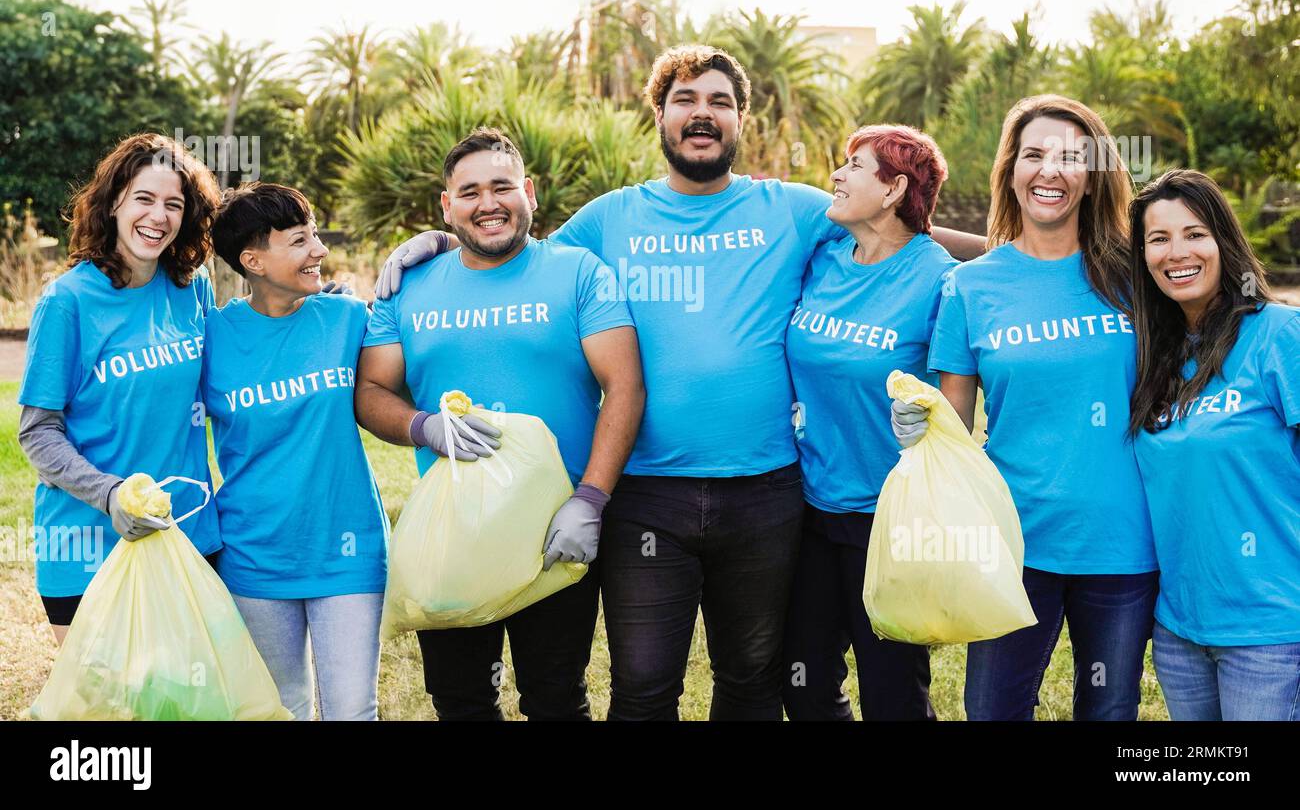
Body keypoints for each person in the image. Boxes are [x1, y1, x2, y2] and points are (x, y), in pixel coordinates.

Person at [375, 45, 984, 720]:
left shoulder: (792, 209)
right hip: (646, 494)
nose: (702, 115)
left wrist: (1008, 254)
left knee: (752, 678)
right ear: (660, 117)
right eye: (685, 101)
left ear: (740, 120)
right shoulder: (611, 218)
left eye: (719, 102)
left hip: (768, 491)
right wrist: (431, 243)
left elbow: (897, 228)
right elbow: (516, 248)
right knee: (641, 685)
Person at [355, 127, 644, 720]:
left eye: (501, 187)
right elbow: (372, 390)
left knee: (556, 696)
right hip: (453, 525)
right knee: (460, 700)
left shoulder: (578, 271)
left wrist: (589, 500)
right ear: (446, 206)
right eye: (469, 192)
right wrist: (422, 427)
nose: (488, 204)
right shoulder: (409, 286)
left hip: (553, 525)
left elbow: (625, 386)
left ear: (529, 192)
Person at [904, 94, 1158, 720]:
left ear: (1094, 176)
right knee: (992, 711)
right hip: (1011, 541)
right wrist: (919, 430)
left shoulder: (1138, 276)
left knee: (1109, 714)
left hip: (1122, 540)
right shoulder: (970, 286)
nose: (1050, 171)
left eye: (1071, 157)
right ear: (1010, 170)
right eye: (1034, 154)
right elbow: (954, 427)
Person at [17, 133, 223, 645]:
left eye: (173, 204)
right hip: (89, 545)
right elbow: (38, 433)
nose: (158, 216)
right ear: (113, 203)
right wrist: (110, 496)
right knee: (108, 710)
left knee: (189, 700)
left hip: (186, 532)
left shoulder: (192, 287)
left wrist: (305, 305)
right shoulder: (67, 302)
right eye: (144, 199)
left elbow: (230, 378)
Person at [782, 124, 955, 721]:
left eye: (855, 165)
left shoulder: (938, 277)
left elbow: (958, 394)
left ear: (893, 189)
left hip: (888, 515)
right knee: (803, 683)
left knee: (893, 694)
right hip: (805, 505)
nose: (836, 174)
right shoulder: (823, 259)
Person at [204, 182, 389, 720]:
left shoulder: (348, 318)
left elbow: (423, 312)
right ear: (253, 260)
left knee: (353, 710)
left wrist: (430, 246)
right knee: (278, 709)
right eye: (300, 240)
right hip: (254, 555)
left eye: (315, 236)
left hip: (347, 550)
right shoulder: (211, 336)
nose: (320, 251)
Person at [1127, 169, 1300, 721]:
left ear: (1223, 241)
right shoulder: (1158, 356)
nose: (1176, 252)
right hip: (1179, 633)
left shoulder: (1278, 335)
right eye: (1158, 239)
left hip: (1270, 632)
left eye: (1194, 233)